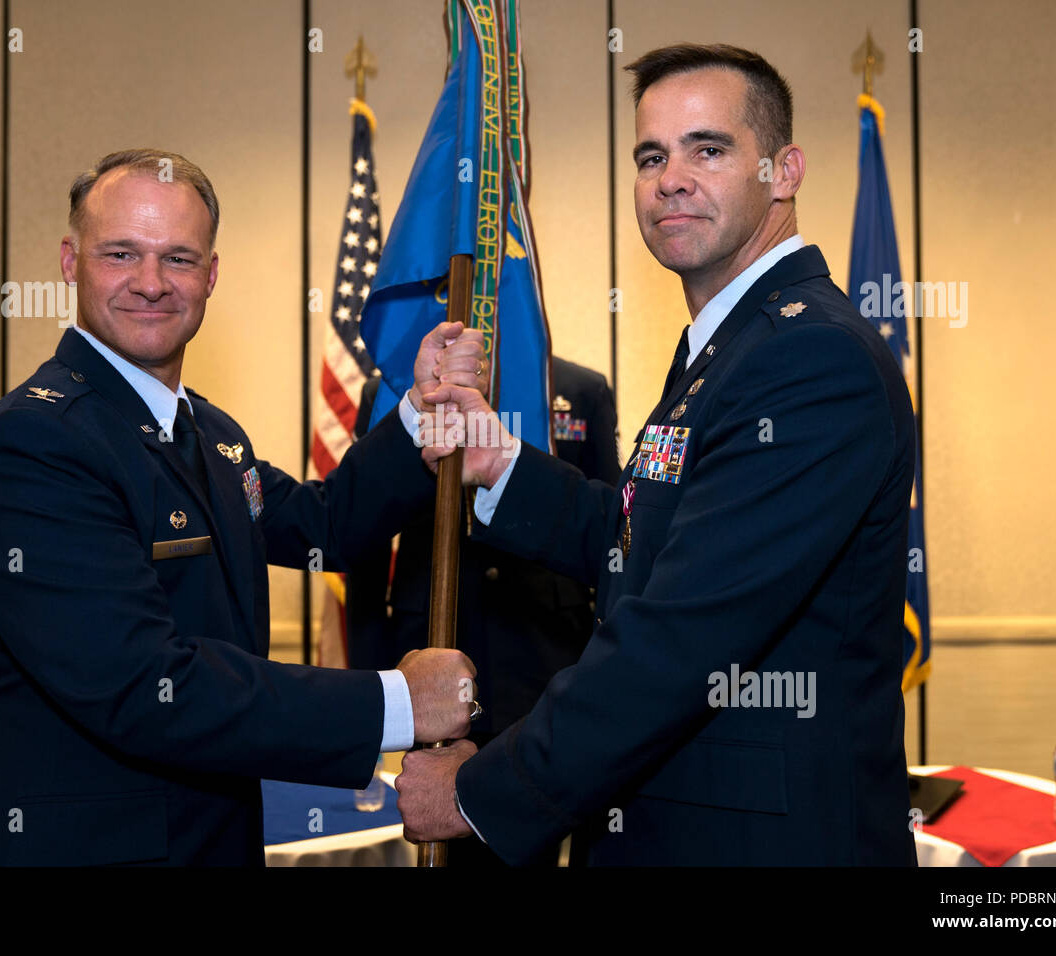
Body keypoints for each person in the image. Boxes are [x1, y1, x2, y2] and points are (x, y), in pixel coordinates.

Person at [394, 44, 920, 866]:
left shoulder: (810, 357)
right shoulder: (733, 347)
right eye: (651, 156)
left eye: (707, 149)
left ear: (784, 171)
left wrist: (479, 792)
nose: (671, 176)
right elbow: (652, 540)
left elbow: (683, 631)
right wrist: (502, 466)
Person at [0, 149, 482, 866]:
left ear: (211, 275)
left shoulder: (211, 434)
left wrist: (420, 412)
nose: (150, 283)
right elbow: (147, 686)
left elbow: (324, 528)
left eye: (178, 258)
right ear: (71, 264)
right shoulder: (33, 444)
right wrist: (395, 704)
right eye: (120, 254)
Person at [347, 358, 620, 866]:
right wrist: (371, 680)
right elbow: (364, 535)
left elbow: (615, 544)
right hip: (432, 652)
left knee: (532, 839)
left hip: (542, 656)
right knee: (439, 834)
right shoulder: (397, 393)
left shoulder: (579, 389)